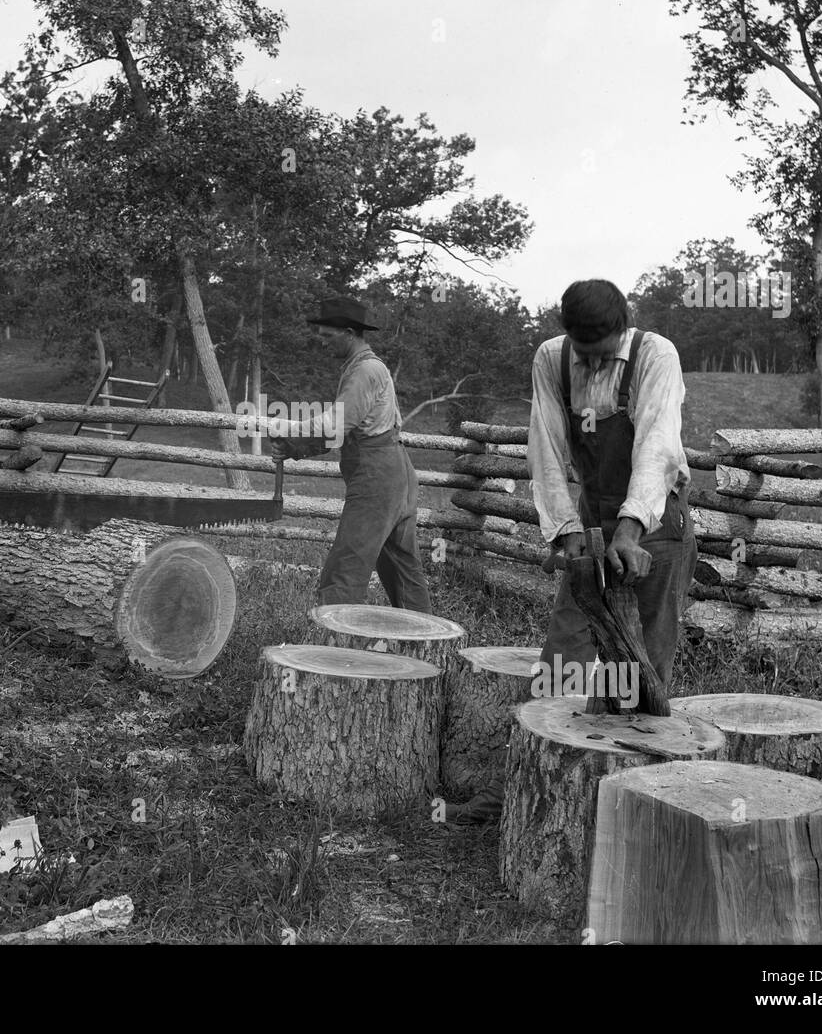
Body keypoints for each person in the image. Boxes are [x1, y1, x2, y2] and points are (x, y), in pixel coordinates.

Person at [445, 279, 695, 823]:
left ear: (623, 327)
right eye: (585, 351)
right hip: (590, 517)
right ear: (567, 335)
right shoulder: (553, 360)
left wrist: (630, 531)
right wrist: (565, 529)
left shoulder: (655, 355)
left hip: (656, 520)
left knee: (642, 662)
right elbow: (547, 442)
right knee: (564, 657)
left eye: (603, 351)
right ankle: (528, 786)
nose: (594, 361)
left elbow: (657, 447)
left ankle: (637, 800)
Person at [269, 295, 432, 612]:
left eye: (328, 337)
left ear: (349, 332)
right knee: (401, 569)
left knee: (346, 567)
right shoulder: (361, 368)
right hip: (392, 472)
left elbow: (334, 424)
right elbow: (341, 430)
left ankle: (336, 651)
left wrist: (288, 433)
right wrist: (293, 447)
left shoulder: (366, 371)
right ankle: (422, 645)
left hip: (378, 478)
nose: (323, 343)